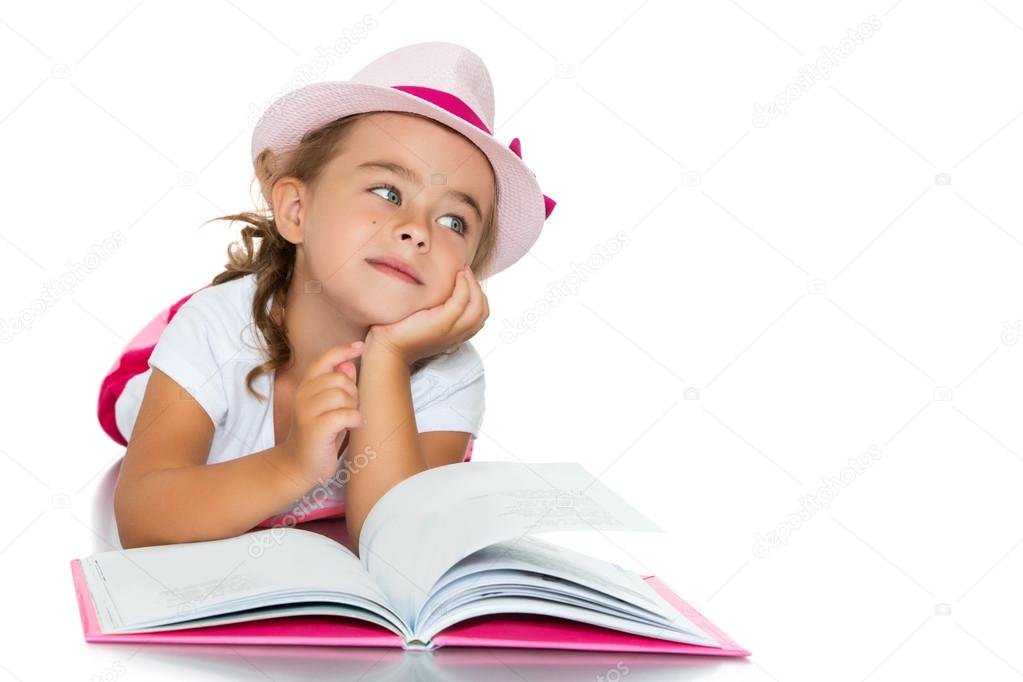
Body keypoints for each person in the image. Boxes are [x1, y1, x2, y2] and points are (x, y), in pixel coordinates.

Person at [109, 41, 556, 553]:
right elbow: (141, 521)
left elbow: (400, 548)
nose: (417, 230)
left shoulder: (450, 373)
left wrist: (388, 360)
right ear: (297, 211)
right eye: (388, 193)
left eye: (454, 221)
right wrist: (292, 463)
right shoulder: (216, 329)